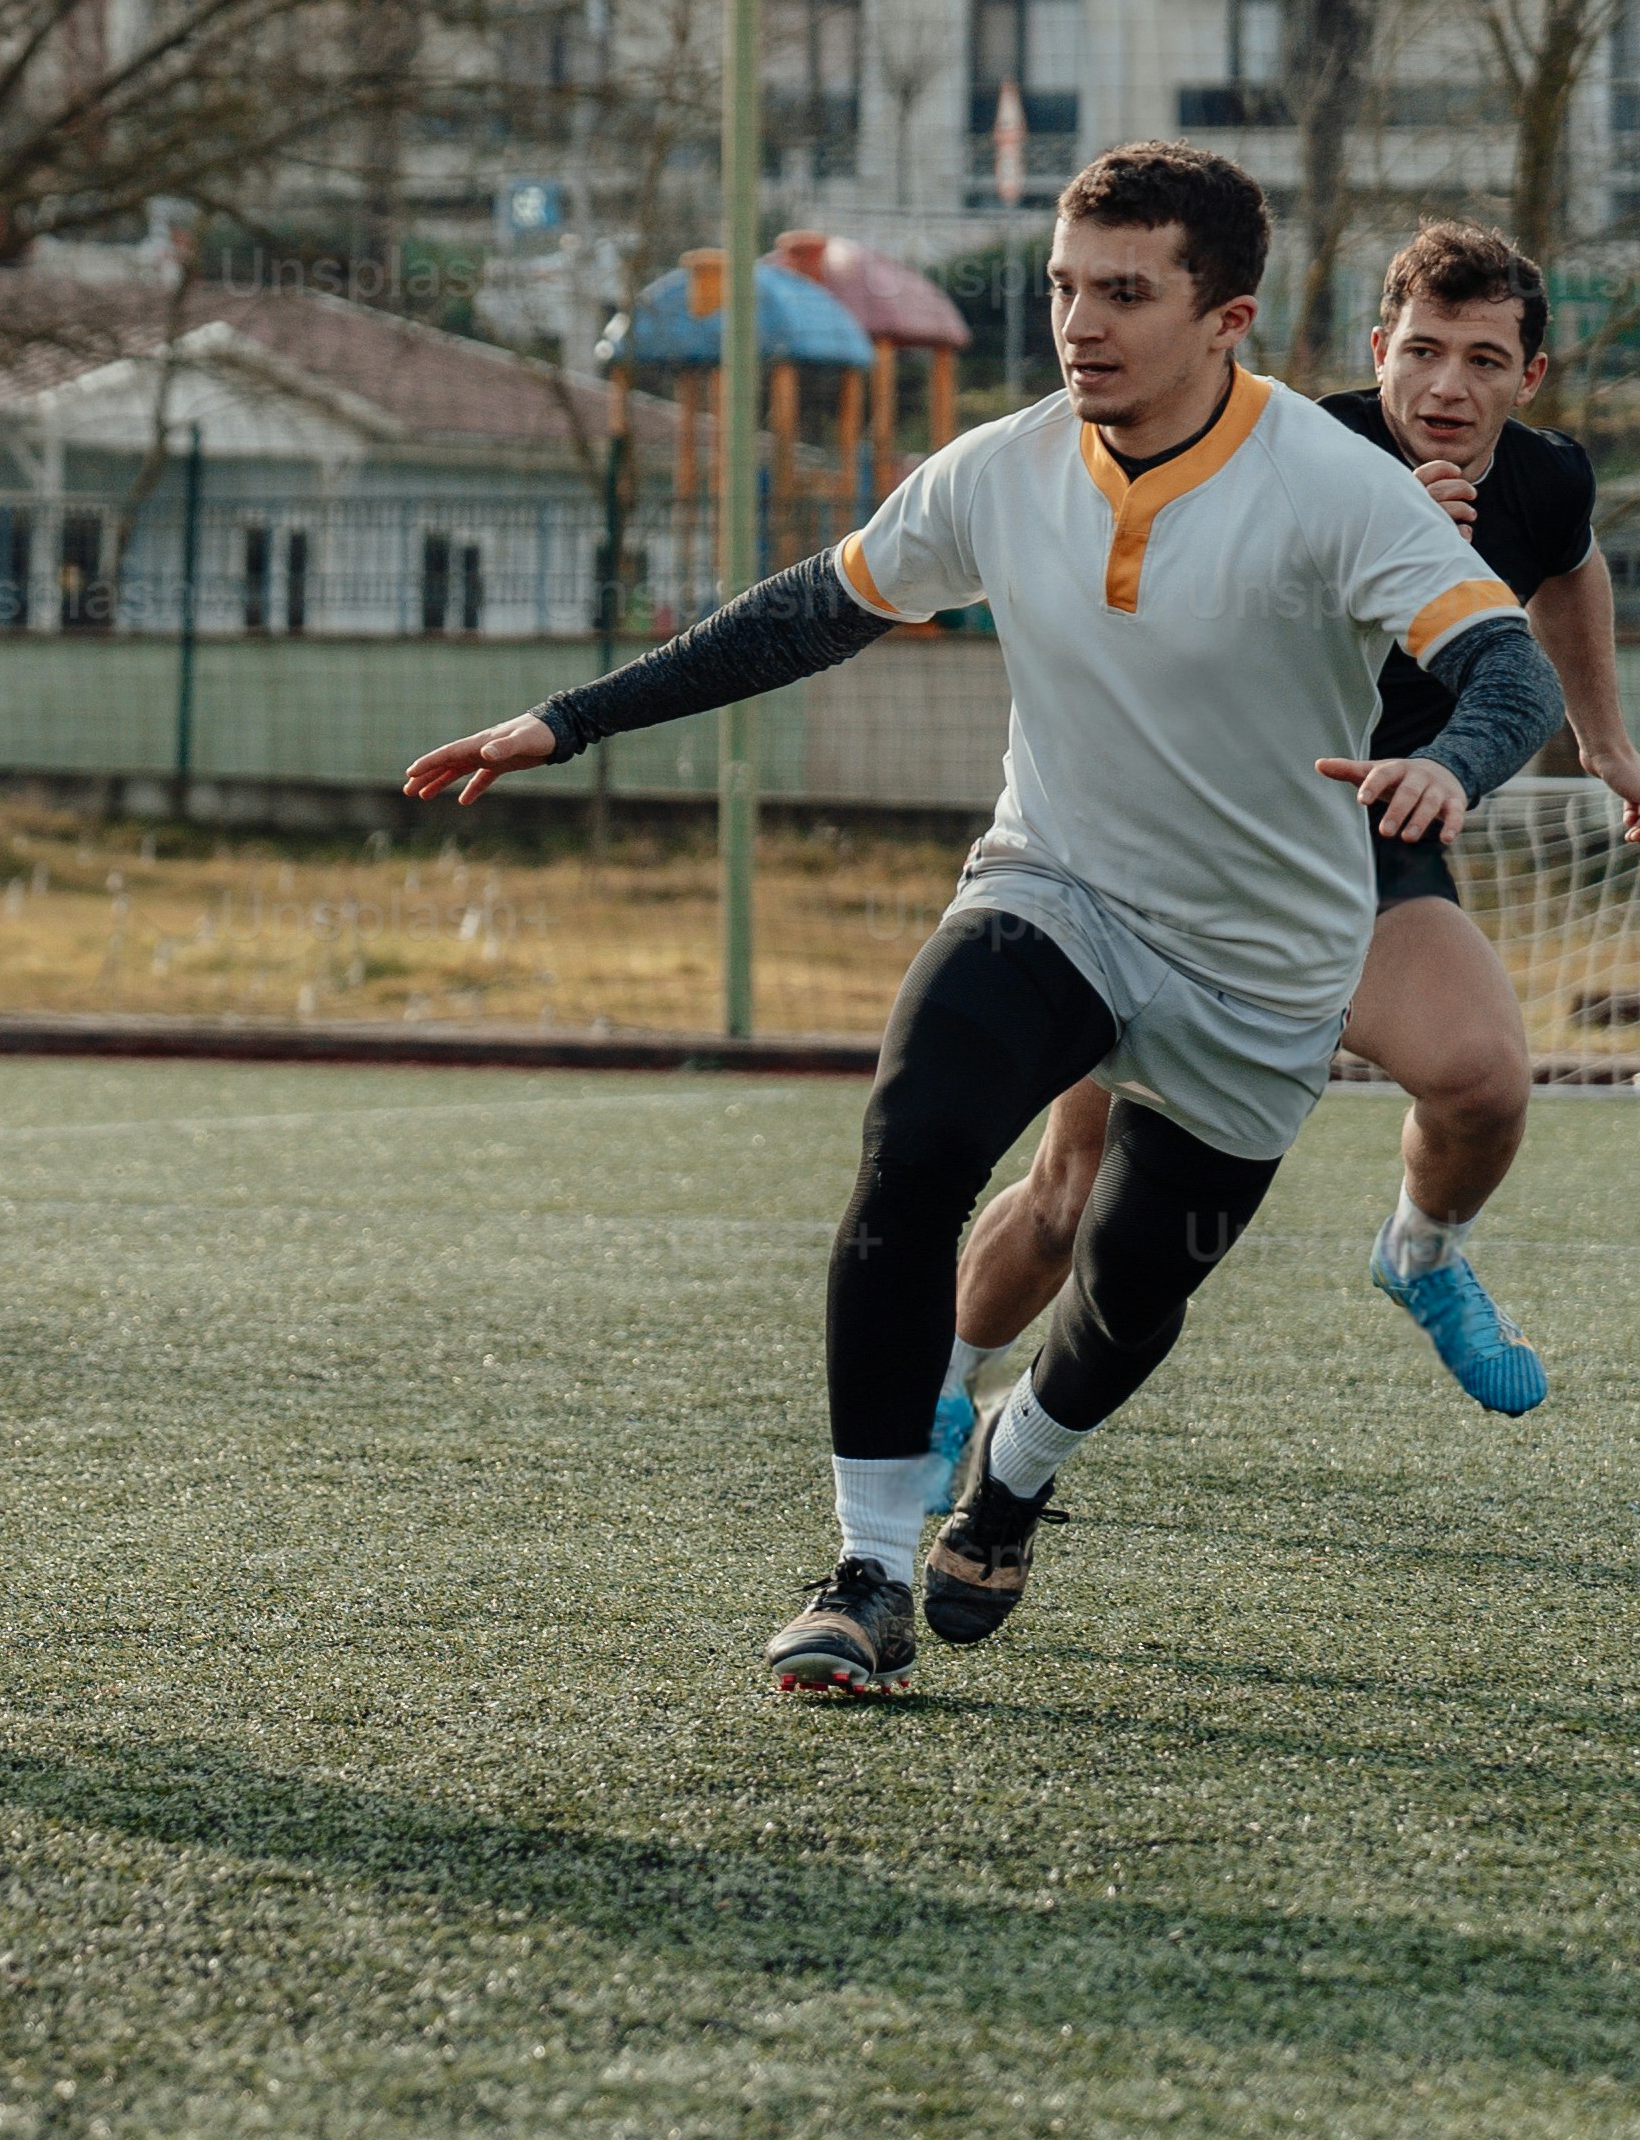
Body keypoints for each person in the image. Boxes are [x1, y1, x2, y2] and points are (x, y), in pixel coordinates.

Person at [401, 143, 1568, 1698]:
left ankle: (1011, 1472)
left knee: (1127, 1291)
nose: (1079, 324)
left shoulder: (1329, 485)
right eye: (1063, 287)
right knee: (915, 1137)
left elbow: (1511, 668)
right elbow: (811, 607)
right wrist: (569, 716)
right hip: (1057, 887)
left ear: (1224, 315)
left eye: (1124, 292)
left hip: (1262, 956)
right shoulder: (1002, 465)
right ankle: (864, 1566)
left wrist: (1447, 760)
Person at [935, 218, 1640, 1450]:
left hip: (1365, 831)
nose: (1448, 387)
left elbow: (1565, 568)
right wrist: (1383, 552)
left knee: (1484, 1080)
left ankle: (1420, 1253)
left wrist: (1605, 744)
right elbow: (1172, 594)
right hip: (1173, 839)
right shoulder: (1291, 451)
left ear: (1527, 377)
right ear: (1376, 349)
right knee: (1073, 1187)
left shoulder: (1544, 478)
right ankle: (943, 1387)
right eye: (1424, 352)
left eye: (1484, 361)